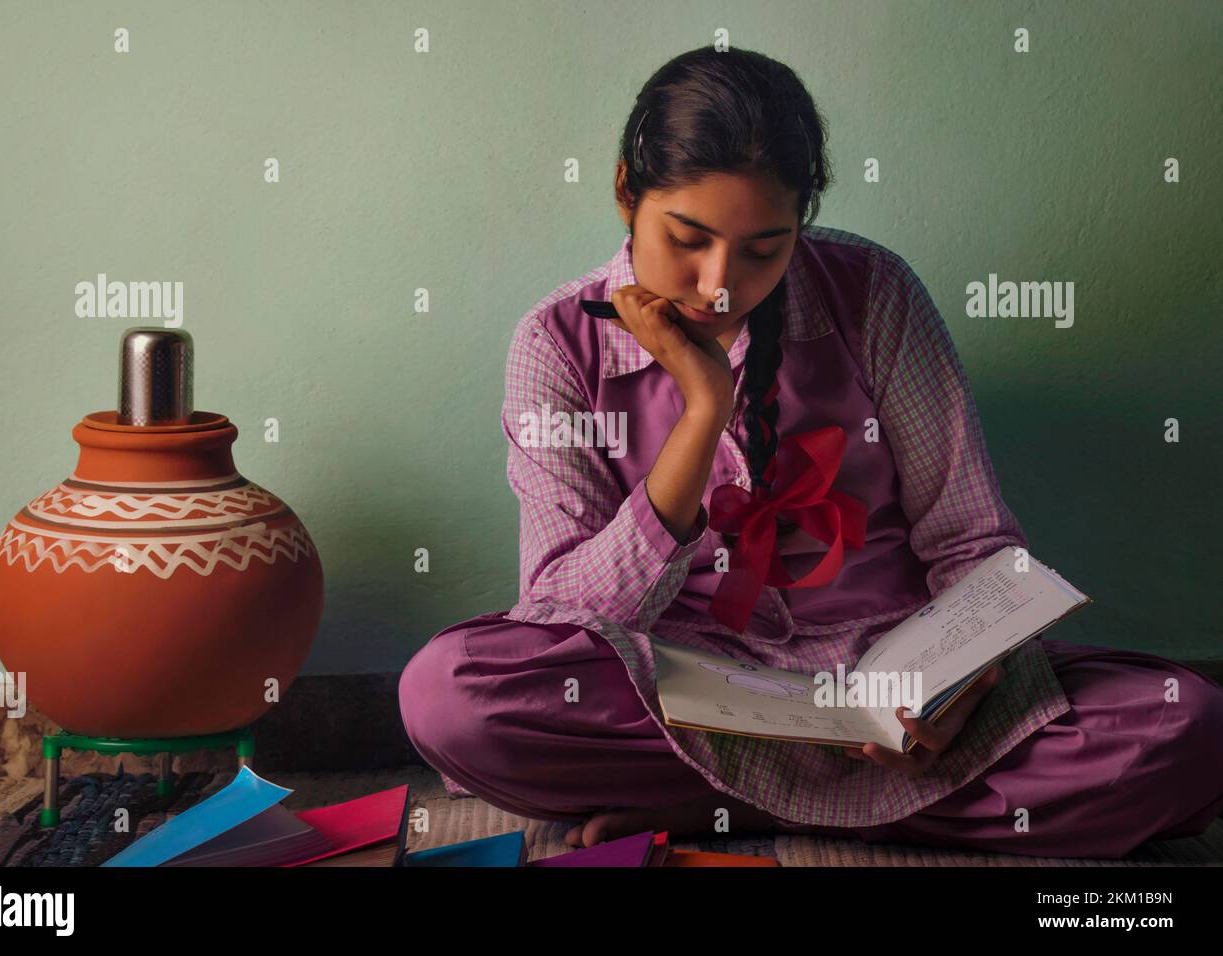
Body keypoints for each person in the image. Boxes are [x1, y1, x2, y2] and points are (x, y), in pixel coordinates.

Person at [398, 46, 1223, 858]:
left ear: (804, 221)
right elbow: (560, 615)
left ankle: (733, 806)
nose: (721, 283)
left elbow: (974, 544)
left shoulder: (875, 294)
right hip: (686, 698)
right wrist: (702, 414)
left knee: (1190, 725)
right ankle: (865, 807)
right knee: (453, 696)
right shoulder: (556, 342)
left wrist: (961, 685)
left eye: (765, 248)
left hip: (887, 689)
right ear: (626, 191)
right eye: (688, 238)